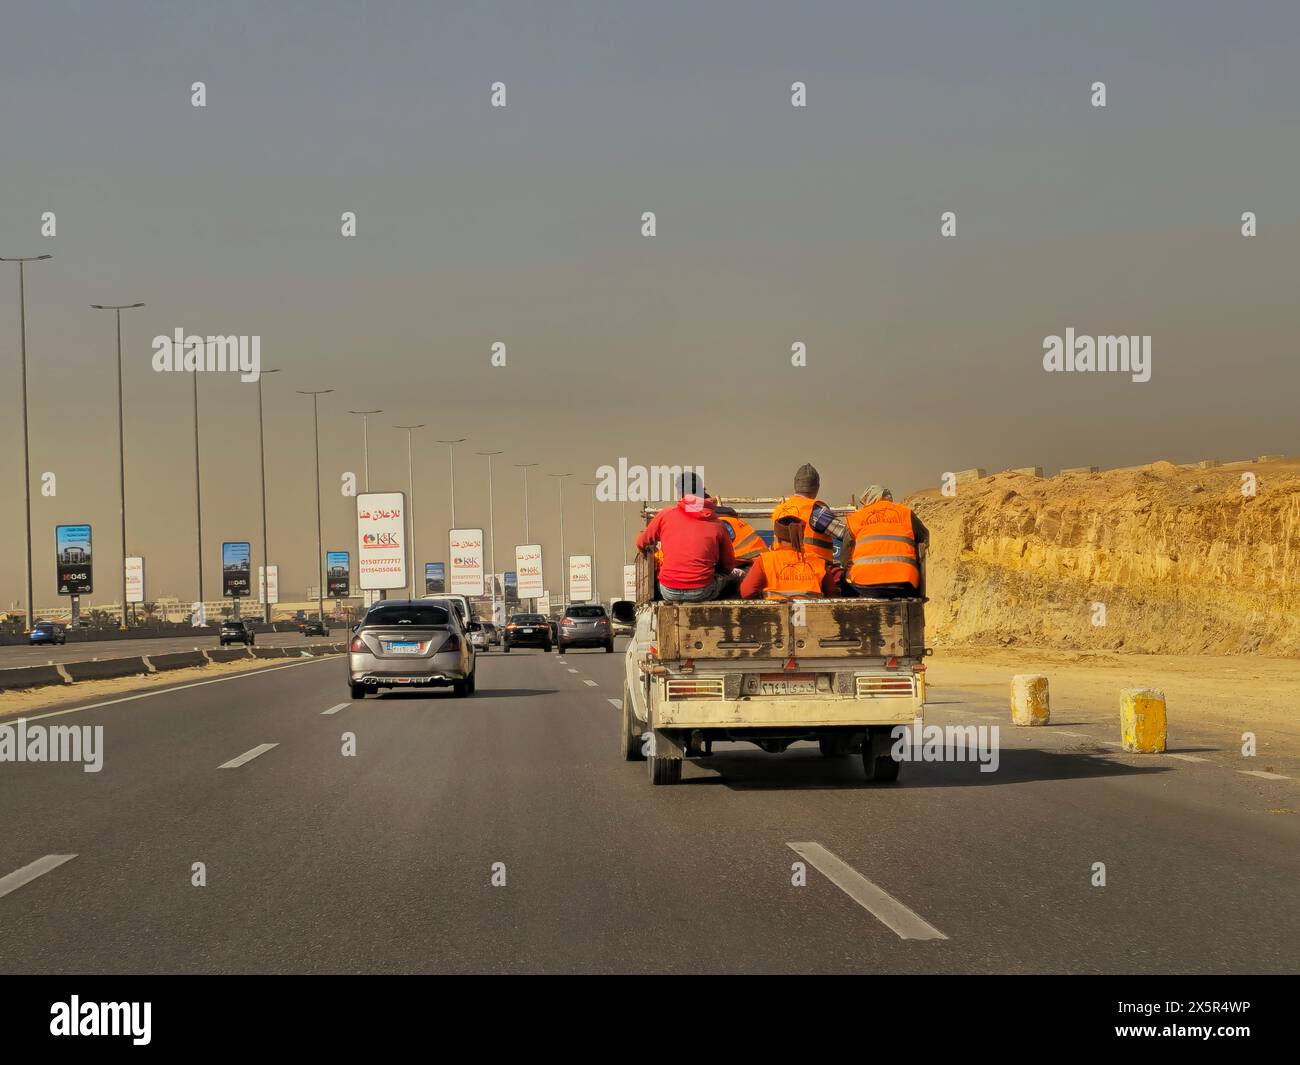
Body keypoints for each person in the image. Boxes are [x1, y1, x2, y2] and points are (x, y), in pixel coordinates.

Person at [635, 473, 736, 602]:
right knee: (734, 579)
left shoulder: (665, 515)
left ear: (679, 493)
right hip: (702, 591)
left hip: (668, 591)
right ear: (702, 492)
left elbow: (640, 542)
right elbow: (728, 566)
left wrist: (646, 551)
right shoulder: (717, 523)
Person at [842, 485, 929, 599]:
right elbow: (924, 537)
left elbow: (844, 552)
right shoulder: (906, 513)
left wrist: (847, 563)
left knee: (843, 578)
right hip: (905, 585)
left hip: (865, 586)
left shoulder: (856, 518)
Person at [741, 516, 842, 600]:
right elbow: (832, 594)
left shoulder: (764, 560)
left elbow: (747, 592)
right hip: (812, 618)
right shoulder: (819, 562)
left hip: (773, 619)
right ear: (801, 536)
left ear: (777, 537)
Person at [769, 463, 846, 565]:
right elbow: (846, 534)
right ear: (817, 487)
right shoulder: (816, 512)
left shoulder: (778, 510)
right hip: (812, 572)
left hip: (782, 570)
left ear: (795, 485)